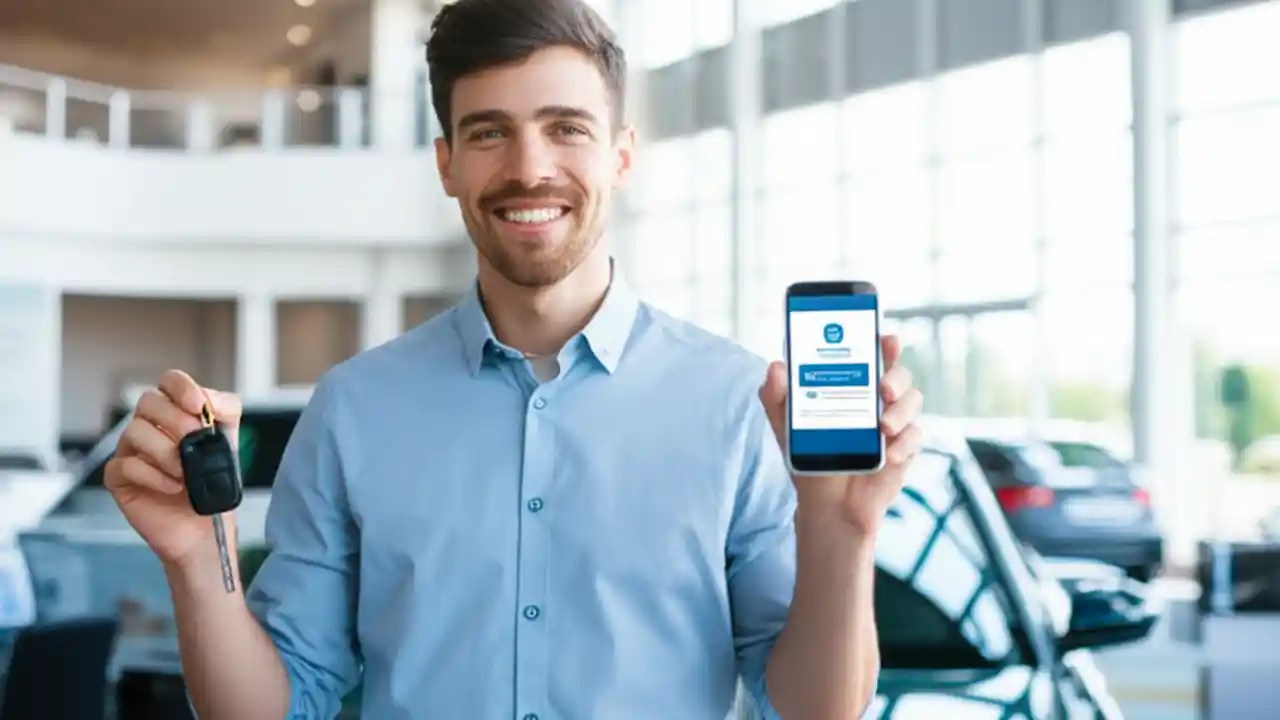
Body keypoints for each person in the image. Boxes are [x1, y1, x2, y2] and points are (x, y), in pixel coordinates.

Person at [104, 0, 924, 718]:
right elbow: (277, 708)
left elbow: (812, 711)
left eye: (567, 127)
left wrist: (845, 530)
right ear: (447, 163)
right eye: (489, 132)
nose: (529, 167)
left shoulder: (739, 402)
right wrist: (192, 556)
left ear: (622, 155)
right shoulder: (353, 408)